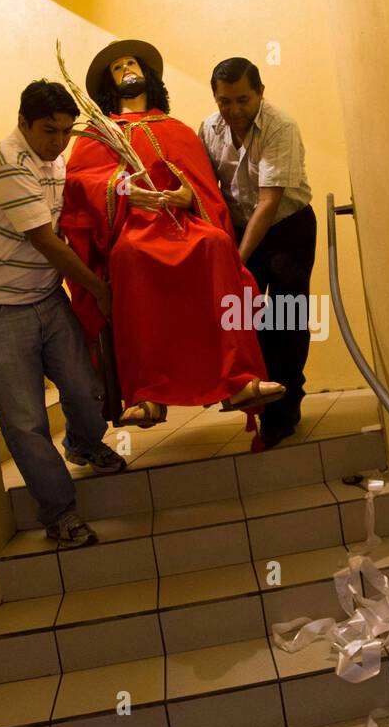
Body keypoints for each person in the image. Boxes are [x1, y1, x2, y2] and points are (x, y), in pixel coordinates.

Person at [60, 39, 284, 429]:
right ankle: (147, 393)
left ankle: (239, 379)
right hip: (132, 230)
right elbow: (80, 187)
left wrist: (186, 198)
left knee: (215, 244)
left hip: (186, 225)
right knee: (127, 258)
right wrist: (126, 192)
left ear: (148, 74)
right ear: (109, 84)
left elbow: (203, 188)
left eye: (132, 62)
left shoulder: (176, 129)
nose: (127, 69)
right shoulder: (99, 133)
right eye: (117, 67)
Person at [0, 80, 126, 549]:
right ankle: (60, 513)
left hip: (45, 297)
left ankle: (84, 444)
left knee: (87, 386)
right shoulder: (8, 162)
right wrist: (98, 289)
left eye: (66, 132)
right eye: (49, 131)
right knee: (26, 420)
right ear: (23, 123)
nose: (59, 142)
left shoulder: (53, 160)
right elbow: (44, 239)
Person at [198, 57, 315, 449]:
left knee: (286, 318)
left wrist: (237, 259)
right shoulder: (209, 129)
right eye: (224, 102)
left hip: (286, 227)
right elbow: (206, 188)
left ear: (260, 92)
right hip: (239, 228)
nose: (234, 110)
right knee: (246, 318)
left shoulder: (281, 126)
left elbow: (268, 202)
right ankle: (263, 402)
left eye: (243, 100)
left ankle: (286, 408)